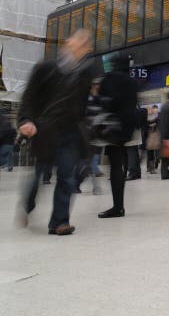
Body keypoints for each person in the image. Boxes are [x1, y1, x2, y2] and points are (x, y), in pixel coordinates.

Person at [16, 29, 93, 235]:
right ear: (68, 43)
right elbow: (29, 96)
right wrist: (25, 120)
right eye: (79, 41)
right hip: (44, 131)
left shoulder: (84, 75)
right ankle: (27, 203)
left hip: (69, 134)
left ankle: (59, 222)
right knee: (39, 174)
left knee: (67, 177)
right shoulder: (45, 68)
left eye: (85, 44)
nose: (81, 46)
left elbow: (82, 108)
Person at [97, 53, 139, 219]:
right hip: (126, 129)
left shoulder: (110, 78)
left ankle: (118, 206)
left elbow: (104, 101)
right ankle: (119, 205)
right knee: (119, 163)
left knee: (114, 166)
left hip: (112, 127)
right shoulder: (131, 81)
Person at [145, 105, 160, 174]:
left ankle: (152, 167)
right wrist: (149, 125)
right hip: (147, 138)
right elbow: (144, 126)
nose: (150, 110)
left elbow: (157, 124)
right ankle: (150, 168)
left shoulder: (156, 117)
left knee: (154, 153)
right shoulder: (145, 118)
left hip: (154, 137)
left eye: (151, 109)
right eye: (148, 109)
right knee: (149, 153)